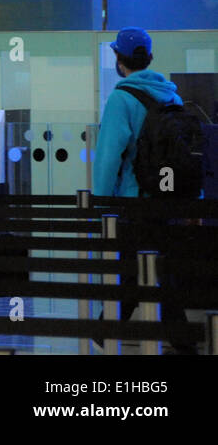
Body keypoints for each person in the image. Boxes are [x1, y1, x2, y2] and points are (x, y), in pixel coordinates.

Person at [92, 27, 194, 352]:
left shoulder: (121, 98)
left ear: (119, 59)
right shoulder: (171, 96)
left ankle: (105, 331)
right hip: (170, 200)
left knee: (135, 271)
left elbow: (109, 155)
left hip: (135, 201)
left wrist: (99, 201)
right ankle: (179, 339)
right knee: (156, 270)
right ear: (149, 57)